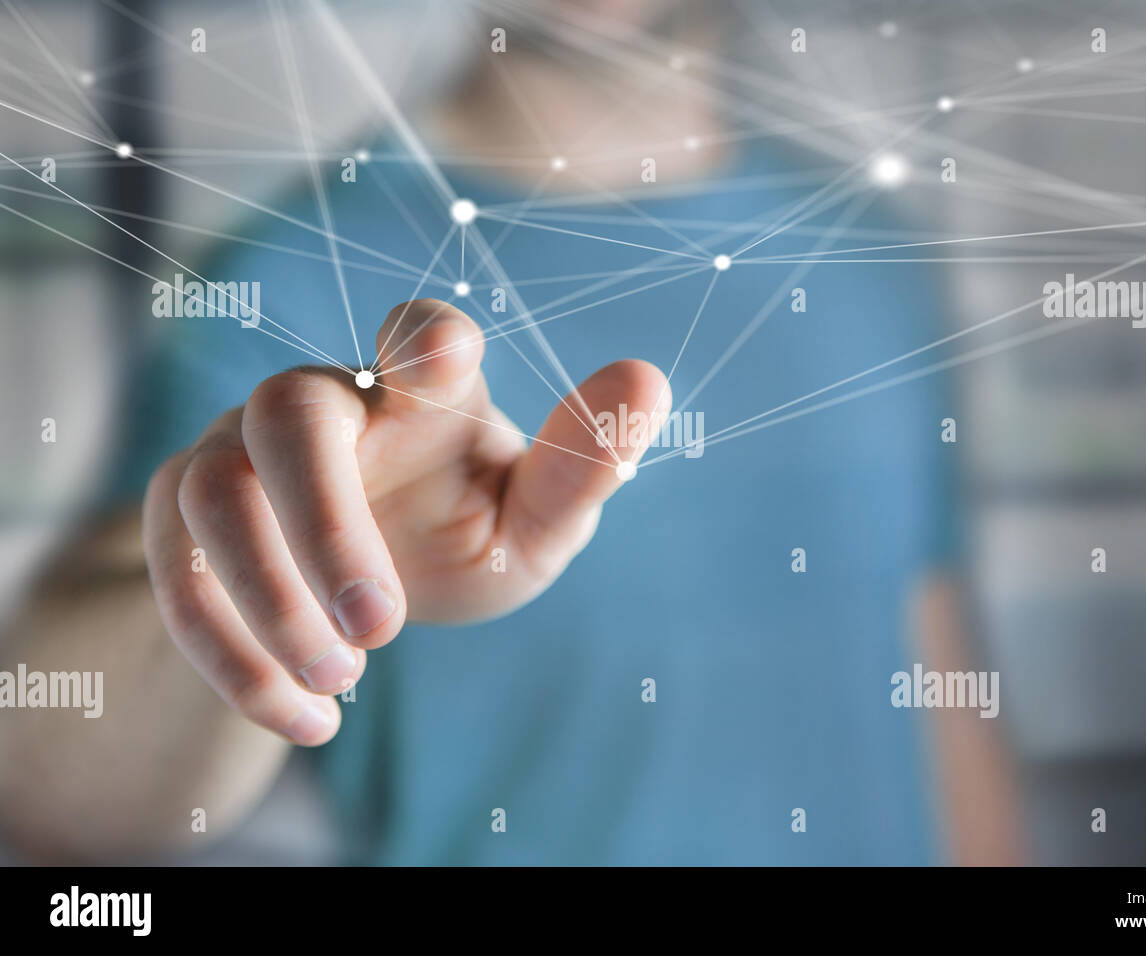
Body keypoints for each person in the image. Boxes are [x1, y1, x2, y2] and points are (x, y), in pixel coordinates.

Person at [0, 1, 1022, 864]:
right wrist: (270, 581)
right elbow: (43, 776)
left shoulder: (870, 261)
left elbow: (931, 670)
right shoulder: (288, 275)